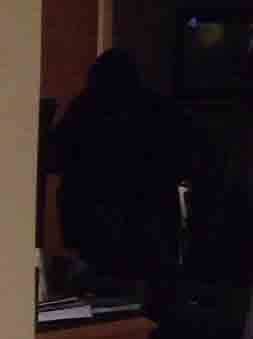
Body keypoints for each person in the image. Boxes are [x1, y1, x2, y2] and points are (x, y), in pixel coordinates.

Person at [45, 48, 205, 299]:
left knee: (104, 296)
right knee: (154, 299)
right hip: (151, 230)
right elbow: (191, 162)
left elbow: (54, 158)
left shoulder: (85, 108)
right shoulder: (159, 108)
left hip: (97, 229)